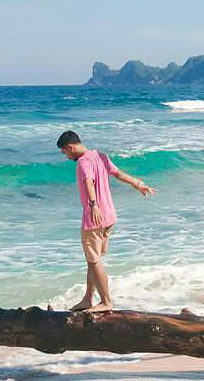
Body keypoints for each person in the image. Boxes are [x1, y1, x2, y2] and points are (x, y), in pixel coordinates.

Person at [57, 130, 155, 312]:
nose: (66, 156)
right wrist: (138, 184)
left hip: (95, 217)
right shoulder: (100, 156)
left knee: (94, 261)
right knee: (92, 260)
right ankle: (88, 298)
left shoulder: (83, 162)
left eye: (65, 152)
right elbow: (117, 173)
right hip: (109, 216)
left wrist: (93, 205)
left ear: (70, 147)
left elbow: (88, 181)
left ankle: (106, 301)